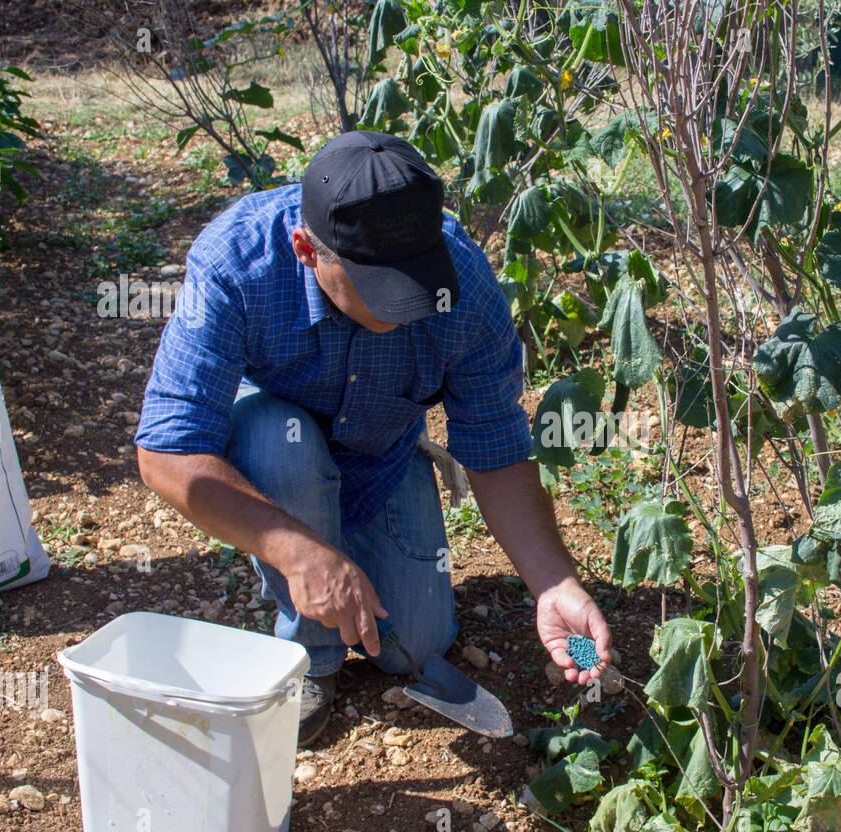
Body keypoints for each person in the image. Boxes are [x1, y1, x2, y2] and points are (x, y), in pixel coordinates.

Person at [134, 131, 613, 746]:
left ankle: (373, 509)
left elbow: (496, 449)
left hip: (379, 450)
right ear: (308, 250)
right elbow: (166, 452)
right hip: (271, 459)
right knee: (283, 442)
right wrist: (299, 553)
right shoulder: (237, 263)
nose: (410, 303)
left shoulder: (462, 287)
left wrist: (555, 585)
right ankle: (310, 658)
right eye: (380, 287)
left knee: (418, 642)